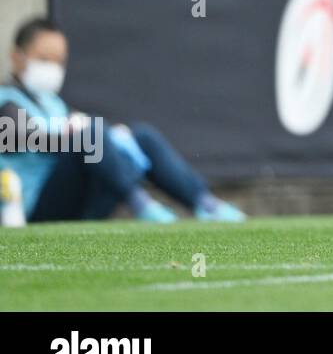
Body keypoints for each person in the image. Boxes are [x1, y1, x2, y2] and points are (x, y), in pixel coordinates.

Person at [0, 17, 244, 223]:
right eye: (44, 59)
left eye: (58, 61)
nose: (52, 68)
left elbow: (86, 138)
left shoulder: (53, 102)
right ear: (17, 56)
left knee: (140, 136)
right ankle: (140, 203)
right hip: (41, 208)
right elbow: (13, 137)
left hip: (83, 198)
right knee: (91, 133)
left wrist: (109, 138)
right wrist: (72, 137)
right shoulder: (7, 100)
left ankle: (203, 203)